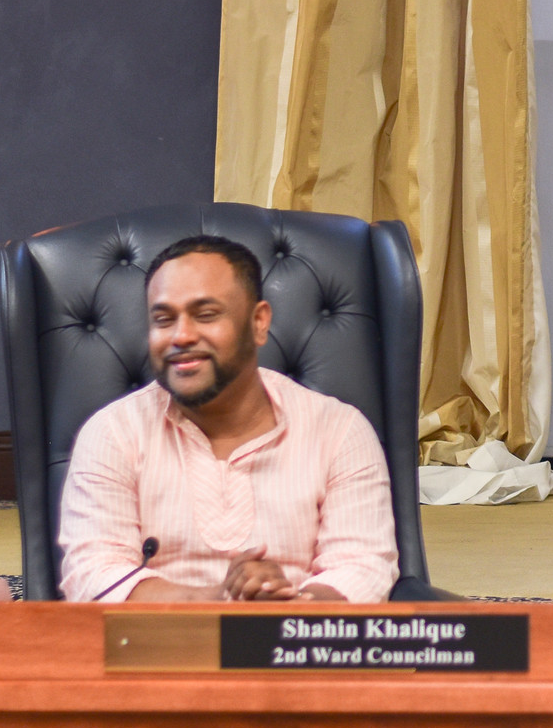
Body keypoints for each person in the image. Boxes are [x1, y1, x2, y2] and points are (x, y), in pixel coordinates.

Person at [55, 235, 398, 602]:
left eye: (205, 315)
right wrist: (218, 603)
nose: (181, 336)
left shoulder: (339, 430)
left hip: (299, 650)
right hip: (151, 650)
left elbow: (363, 567)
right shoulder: (112, 432)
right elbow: (93, 574)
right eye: (163, 319)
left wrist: (289, 608)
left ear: (258, 322)